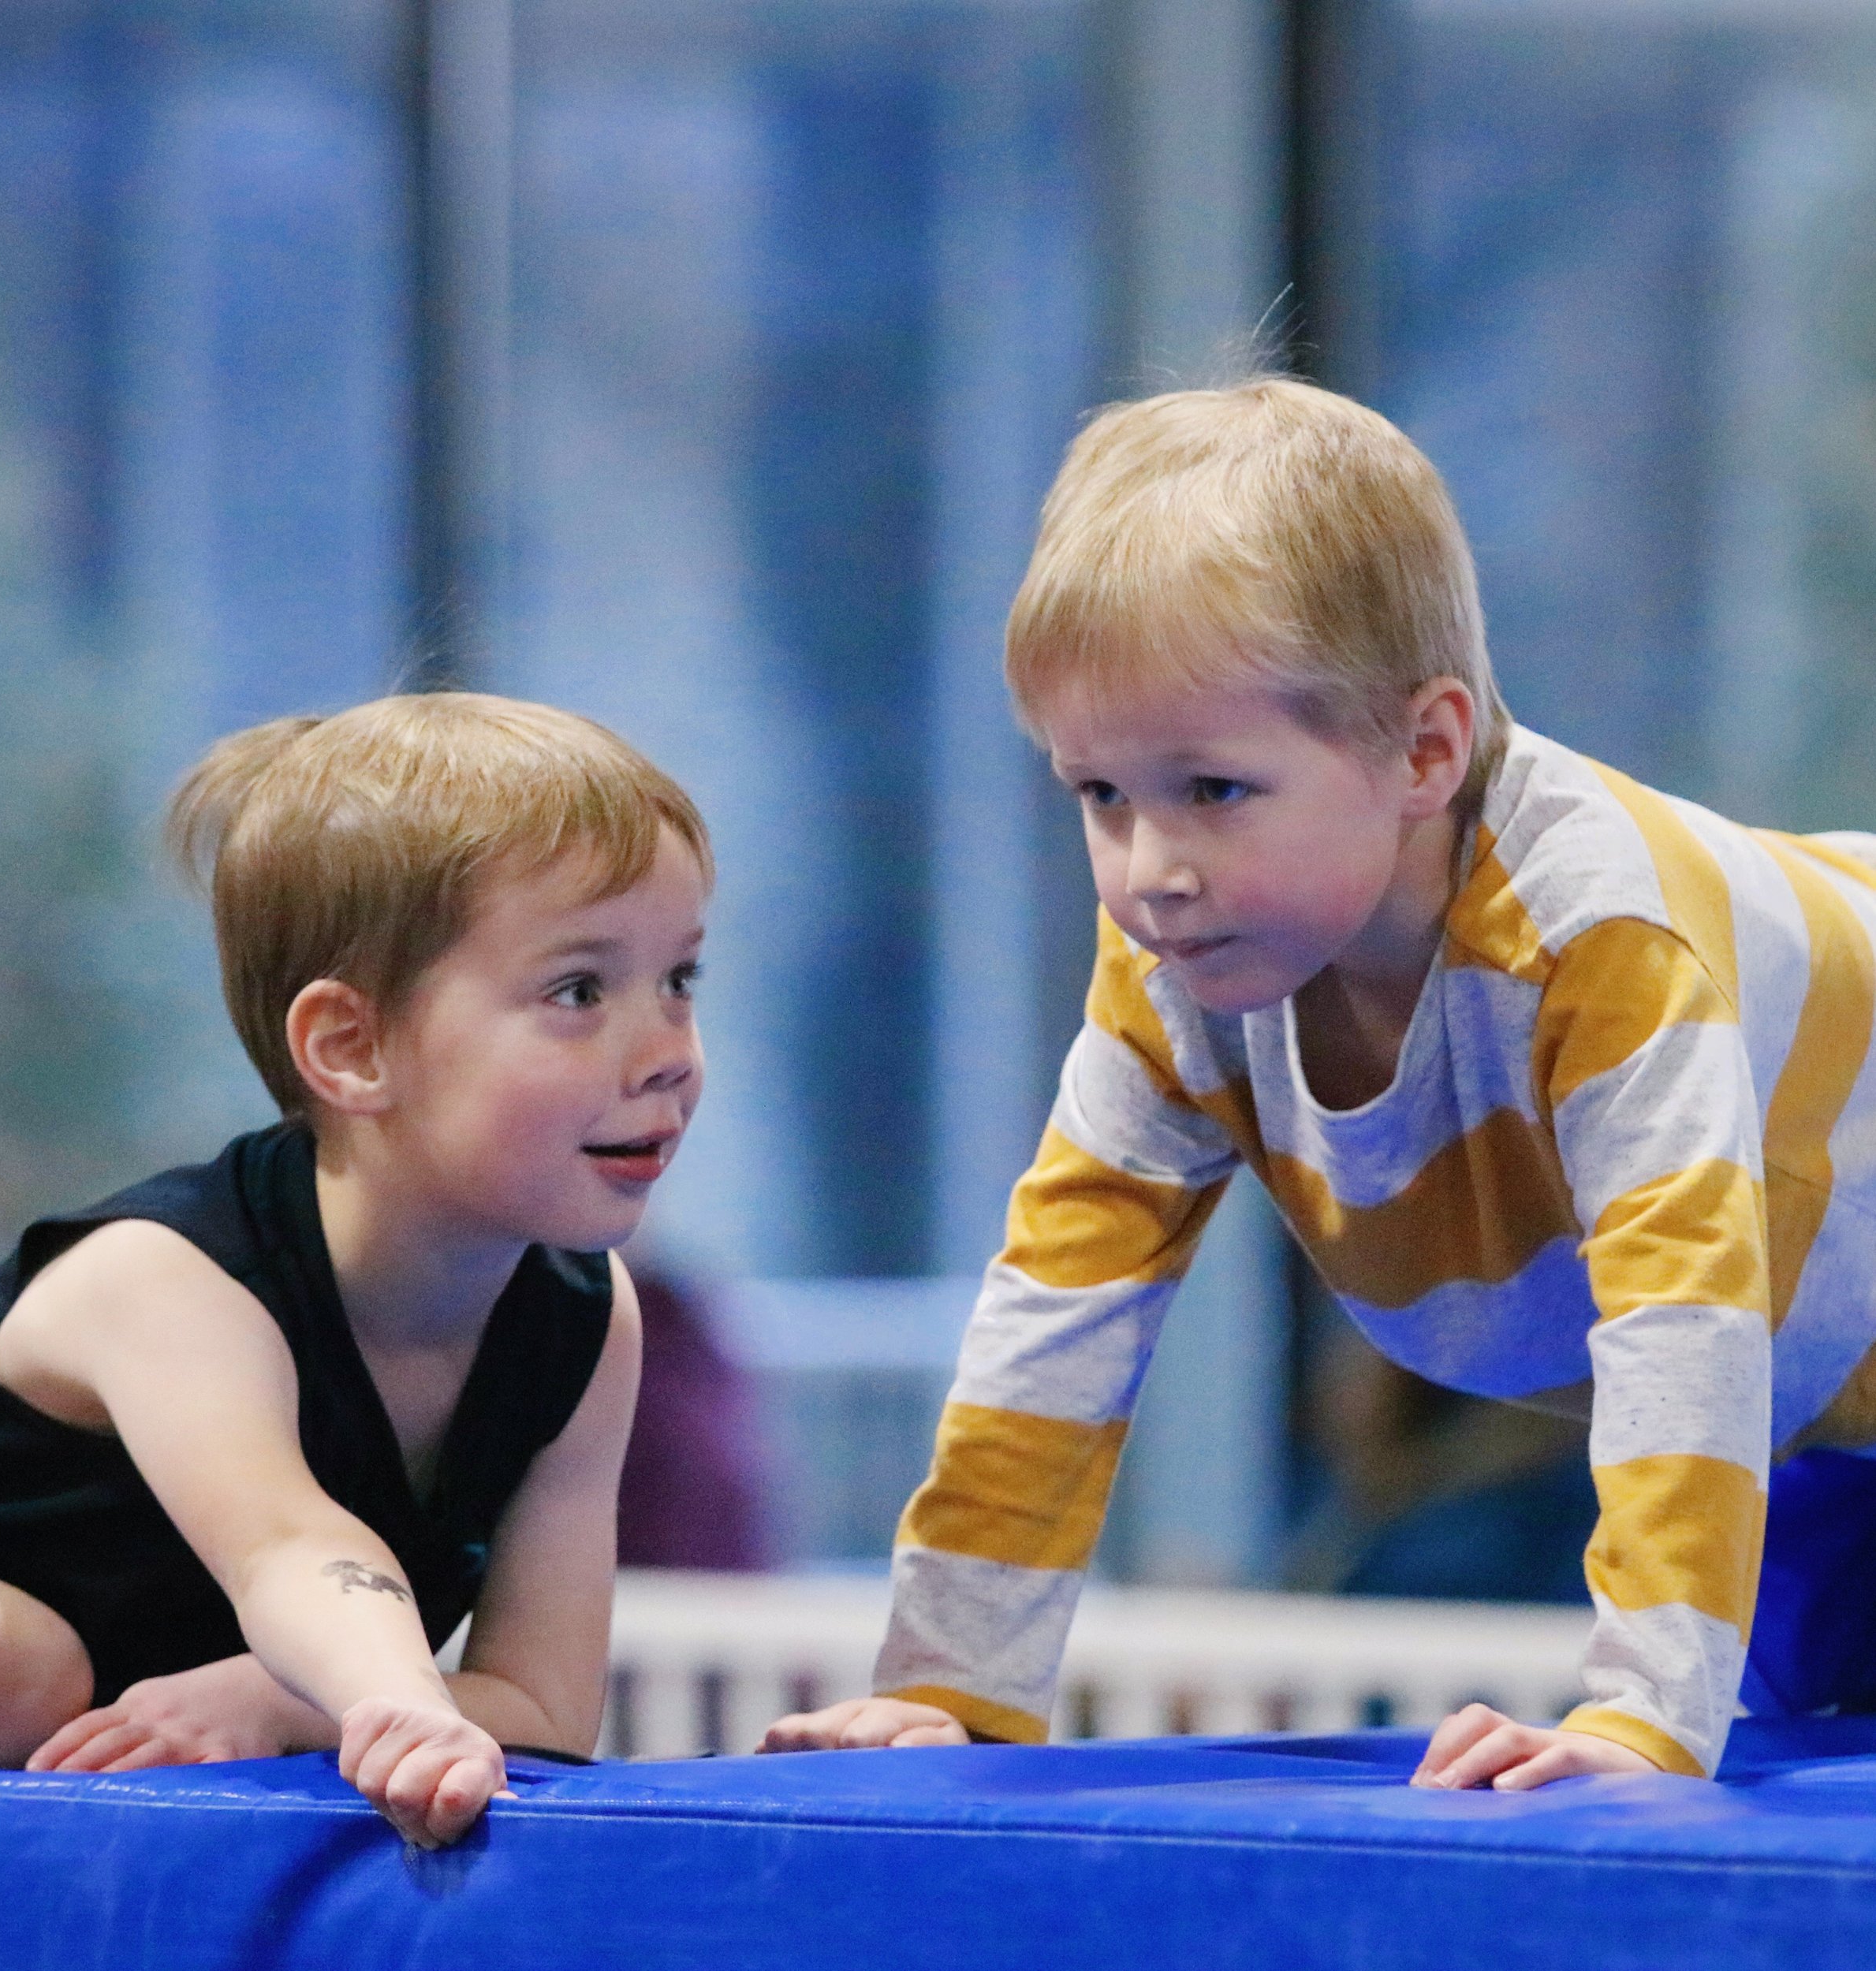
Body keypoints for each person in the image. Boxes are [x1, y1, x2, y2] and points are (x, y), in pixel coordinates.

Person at [763, 375, 1876, 1788]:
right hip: (1824, 1395)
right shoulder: (1180, 963)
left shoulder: (1604, 945)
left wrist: (1640, 1720)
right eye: (1099, 795)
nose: (1149, 869)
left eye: (1212, 790)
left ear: (1424, 750)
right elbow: (1060, 1314)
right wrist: (950, 1689)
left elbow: (1685, 1330)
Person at [0, 693, 710, 1846]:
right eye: (578, 991)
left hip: (121, 1736)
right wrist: (381, 1696)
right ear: (352, 1047)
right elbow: (291, 1544)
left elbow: (540, 1710)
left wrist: (278, 1700)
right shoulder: (167, 1281)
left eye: (680, 979)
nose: (667, 1055)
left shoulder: (587, 1320)